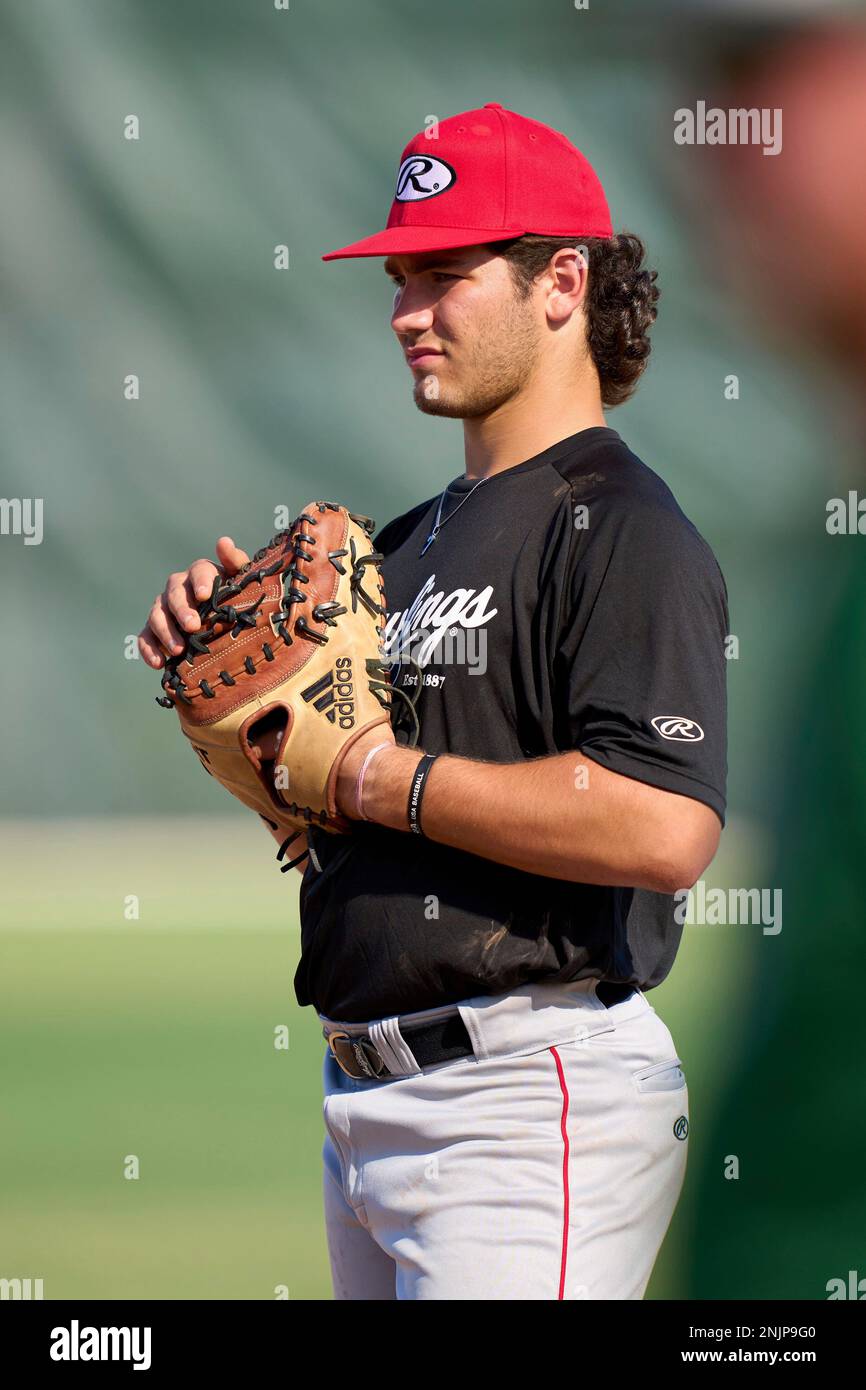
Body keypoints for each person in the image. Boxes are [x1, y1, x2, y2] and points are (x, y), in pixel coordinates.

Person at [138, 104, 728, 1300]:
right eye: (400, 277)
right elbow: (343, 824)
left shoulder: (621, 528)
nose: (406, 311)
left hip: (525, 1096)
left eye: (444, 274)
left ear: (561, 281)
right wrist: (249, 725)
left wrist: (370, 773)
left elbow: (664, 828)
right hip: (365, 1101)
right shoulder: (398, 549)